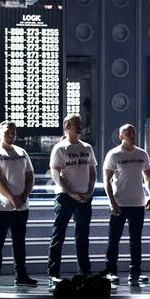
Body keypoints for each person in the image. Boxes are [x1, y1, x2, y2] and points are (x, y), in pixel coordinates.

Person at [0, 120, 36, 288]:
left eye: (13, 131)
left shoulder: (22, 152)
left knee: (19, 242)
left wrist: (24, 196)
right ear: (0, 132)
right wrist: (12, 197)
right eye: (7, 131)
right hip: (0, 206)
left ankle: (21, 275)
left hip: (21, 206)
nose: (11, 134)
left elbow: (30, 176)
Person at [47, 113, 97, 286]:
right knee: (58, 234)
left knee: (83, 236)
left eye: (80, 123)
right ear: (67, 126)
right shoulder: (60, 148)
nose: (80, 126)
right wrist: (70, 192)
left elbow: (92, 173)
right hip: (65, 197)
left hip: (84, 197)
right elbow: (55, 173)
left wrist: (90, 191)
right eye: (76, 123)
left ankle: (84, 272)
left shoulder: (87, 148)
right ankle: (53, 273)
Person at [103, 124, 150, 287]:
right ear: (121, 137)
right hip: (120, 203)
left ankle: (135, 272)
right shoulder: (114, 154)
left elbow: (148, 177)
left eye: (134, 133)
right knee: (114, 239)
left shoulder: (142, 154)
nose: (133, 135)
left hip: (138, 203)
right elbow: (107, 181)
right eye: (129, 133)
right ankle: (111, 271)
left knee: (136, 240)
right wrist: (112, 202)